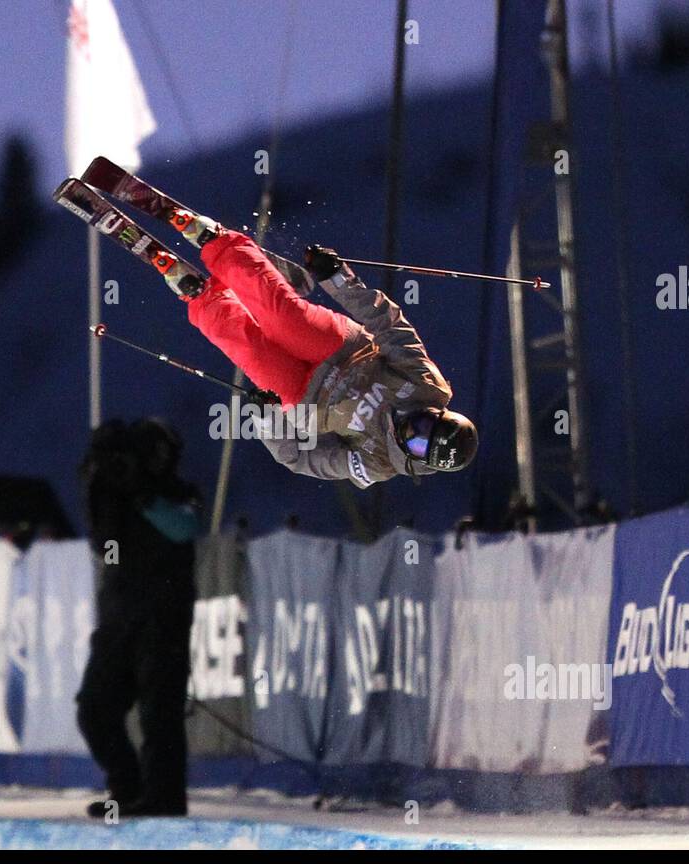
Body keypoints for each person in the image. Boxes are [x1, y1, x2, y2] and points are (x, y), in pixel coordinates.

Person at [166, 215, 479, 488]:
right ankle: (219, 244)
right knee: (284, 319)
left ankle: (201, 296)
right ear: (437, 413)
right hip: (343, 350)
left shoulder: (376, 464)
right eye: (425, 424)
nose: (414, 430)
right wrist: (338, 279)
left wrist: (267, 420)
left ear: (418, 459)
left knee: (253, 354)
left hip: (306, 398)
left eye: (419, 444)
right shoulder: (426, 386)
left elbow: (299, 458)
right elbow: (389, 326)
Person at [76, 418, 200, 818]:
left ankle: (163, 799)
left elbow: (183, 528)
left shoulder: (180, 494)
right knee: (95, 707)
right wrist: (103, 484)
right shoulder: (113, 494)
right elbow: (102, 541)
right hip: (118, 616)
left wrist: (143, 494)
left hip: (164, 617)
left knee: (159, 712)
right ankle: (127, 786)